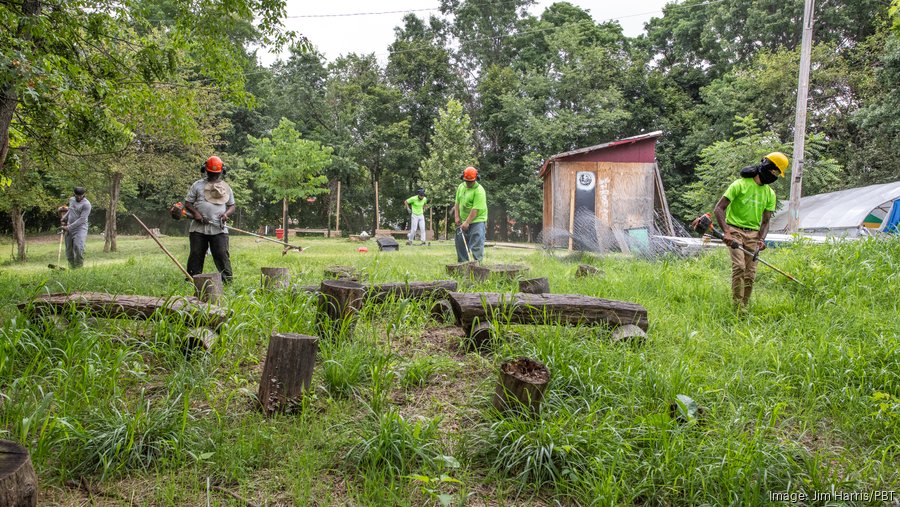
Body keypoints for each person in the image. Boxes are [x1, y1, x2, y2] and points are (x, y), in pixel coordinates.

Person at [713, 152, 788, 308]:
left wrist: (761, 239)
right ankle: (736, 305)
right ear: (767, 167)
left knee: (750, 275)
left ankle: (743, 308)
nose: (774, 176)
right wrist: (726, 232)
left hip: (753, 235)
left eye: (777, 174)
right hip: (734, 231)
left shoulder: (770, 194)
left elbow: (766, 221)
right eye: (774, 172)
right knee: (739, 267)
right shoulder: (739, 185)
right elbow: (719, 209)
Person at [184, 156, 235, 283]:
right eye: (211, 174)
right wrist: (196, 213)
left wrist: (226, 215)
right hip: (198, 228)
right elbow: (188, 203)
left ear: (222, 172)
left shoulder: (226, 187)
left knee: (222, 255)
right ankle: (192, 281)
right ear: (205, 171)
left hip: (219, 228)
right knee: (196, 254)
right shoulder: (197, 185)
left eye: (216, 174)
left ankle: (227, 282)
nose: (213, 177)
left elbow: (232, 205)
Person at [453, 166, 487, 262]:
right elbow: (457, 203)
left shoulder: (479, 191)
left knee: (476, 243)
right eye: (466, 181)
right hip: (463, 220)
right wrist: (456, 216)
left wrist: (467, 222)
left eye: (470, 181)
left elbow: (475, 210)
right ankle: (462, 265)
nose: (468, 183)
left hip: (477, 220)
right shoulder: (461, 187)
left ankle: (477, 265)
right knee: (460, 243)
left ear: (476, 179)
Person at [60, 187, 91, 268]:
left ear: (83, 195)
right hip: (69, 227)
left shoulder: (86, 205)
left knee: (78, 247)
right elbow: (70, 210)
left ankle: (79, 267)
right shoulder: (72, 200)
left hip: (80, 229)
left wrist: (68, 227)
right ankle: (71, 268)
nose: (79, 198)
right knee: (68, 250)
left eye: (81, 196)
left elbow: (82, 219)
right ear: (74, 194)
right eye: (77, 196)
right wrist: (64, 218)